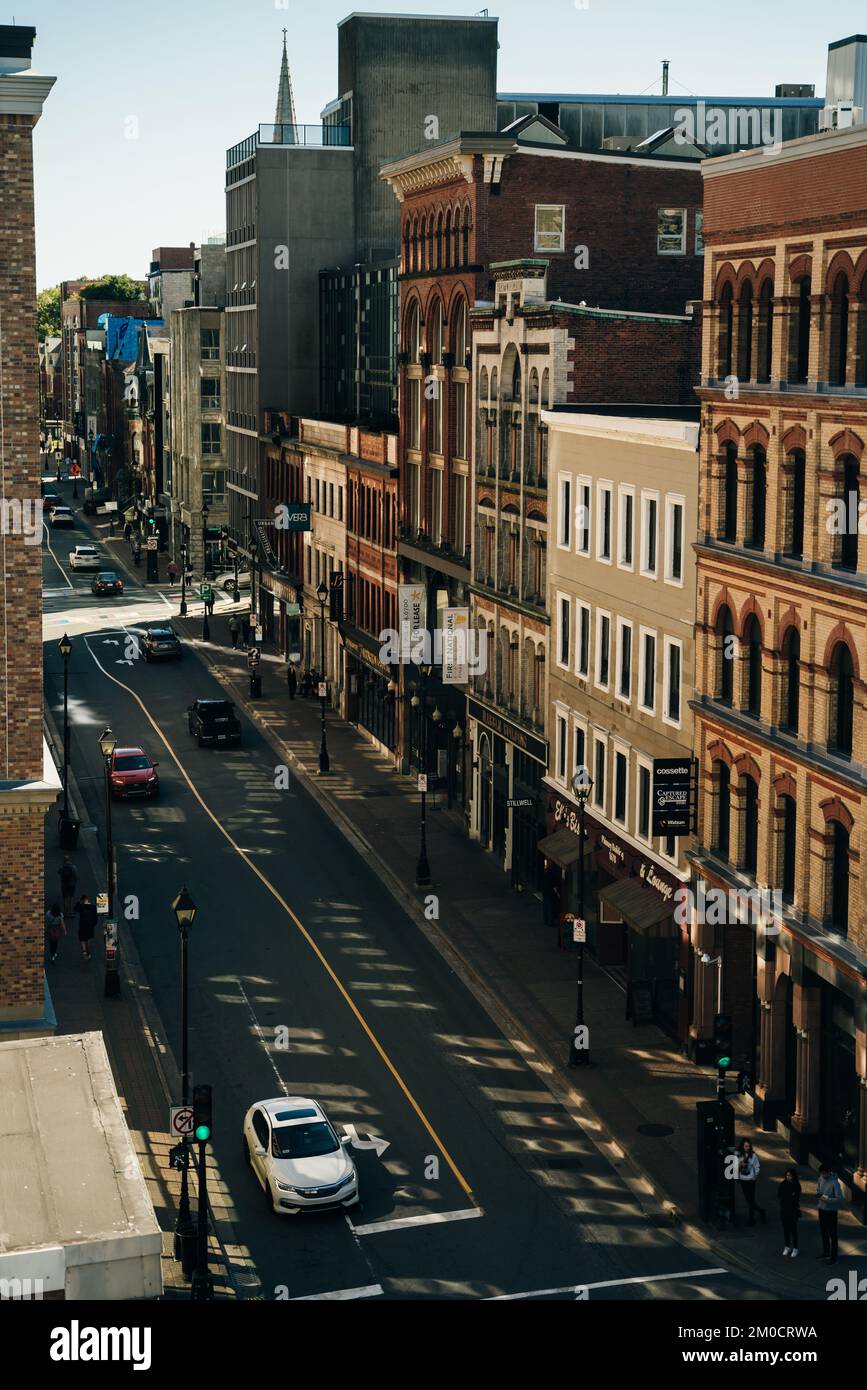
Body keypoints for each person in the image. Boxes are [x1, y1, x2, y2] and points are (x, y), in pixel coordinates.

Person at [734, 1139, 766, 1226]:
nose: (747, 1148)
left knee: (750, 1199)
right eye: (745, 1146)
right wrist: (740, 1165)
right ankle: (760, 1211)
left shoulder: (753, 1155)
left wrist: (754, 1176)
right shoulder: (738, 1155)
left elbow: (757, 1166)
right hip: (743, 1179)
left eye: (748, 1146)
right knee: (749, 1200)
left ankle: (751, 1219)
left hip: (751, 1180)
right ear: (742, 1146)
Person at [816, 1164, 844, 1263]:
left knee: (832, 1234)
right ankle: (826, 1251)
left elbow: (840, 1199)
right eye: (821, 1173)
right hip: (821, 1209)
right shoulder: (820, 1178)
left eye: (824, 1173)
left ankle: (834, 1256)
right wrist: (818, 1194)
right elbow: (818, 1189)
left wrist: (827, 1199)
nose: (823, 1175)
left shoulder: (835, 1183)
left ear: (828, 1172)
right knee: (823, 1232)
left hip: (831, 1211)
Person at [777, 1167, 801, 1257]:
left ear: (793, 1176)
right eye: (787, 1175)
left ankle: (795, 1248)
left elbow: (795, 1198)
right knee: (786, 1229)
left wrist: (789, 1196)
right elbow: (780, 1195)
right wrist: (790, 1195)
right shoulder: (783, 1184)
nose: (788, 1177)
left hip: (793, 1211)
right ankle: (787, 1246)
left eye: (790, 1176)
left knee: (793, 1230)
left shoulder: (797, 1185)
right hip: (784, 1210)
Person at [73, 893, 98, 961]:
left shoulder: (81, 906)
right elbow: (96, 918)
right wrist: (93, 924)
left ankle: (84, 952)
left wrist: (78, 901)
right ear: (88, 899)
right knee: (89, 938)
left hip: (82, 925)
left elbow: (75, 908)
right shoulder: (93, 907)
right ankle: (88, 951)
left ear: (82, 900)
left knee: (82, 939)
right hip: (90, 926)